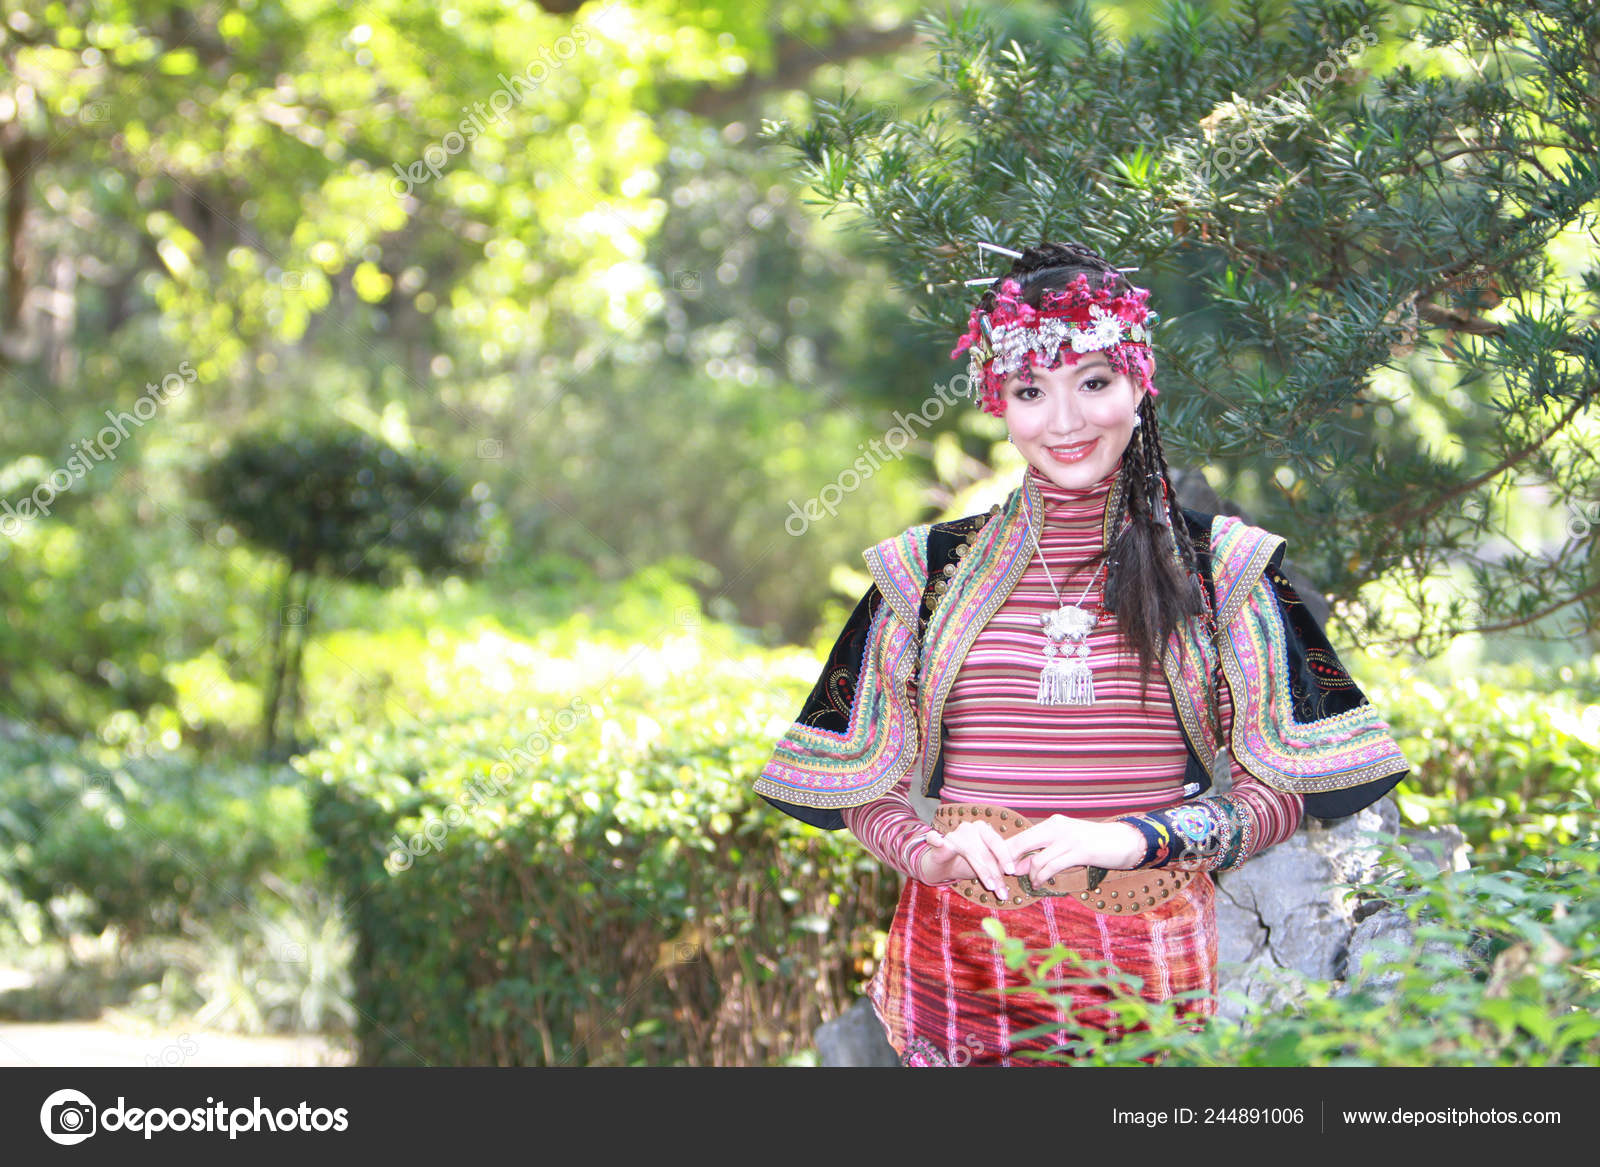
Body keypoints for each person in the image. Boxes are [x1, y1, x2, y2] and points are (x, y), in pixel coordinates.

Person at [752, 240, 1410, 1067]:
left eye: (1093, 383)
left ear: (1139, 382)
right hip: (962, 965)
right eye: (1032, 391)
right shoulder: (923, 573)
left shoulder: (1221, 570)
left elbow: (1282, 793)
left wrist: (1138, 838)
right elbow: (861, 786)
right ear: (999, 400)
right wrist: (932, 851)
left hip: (1147, 972)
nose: (1064, 423)